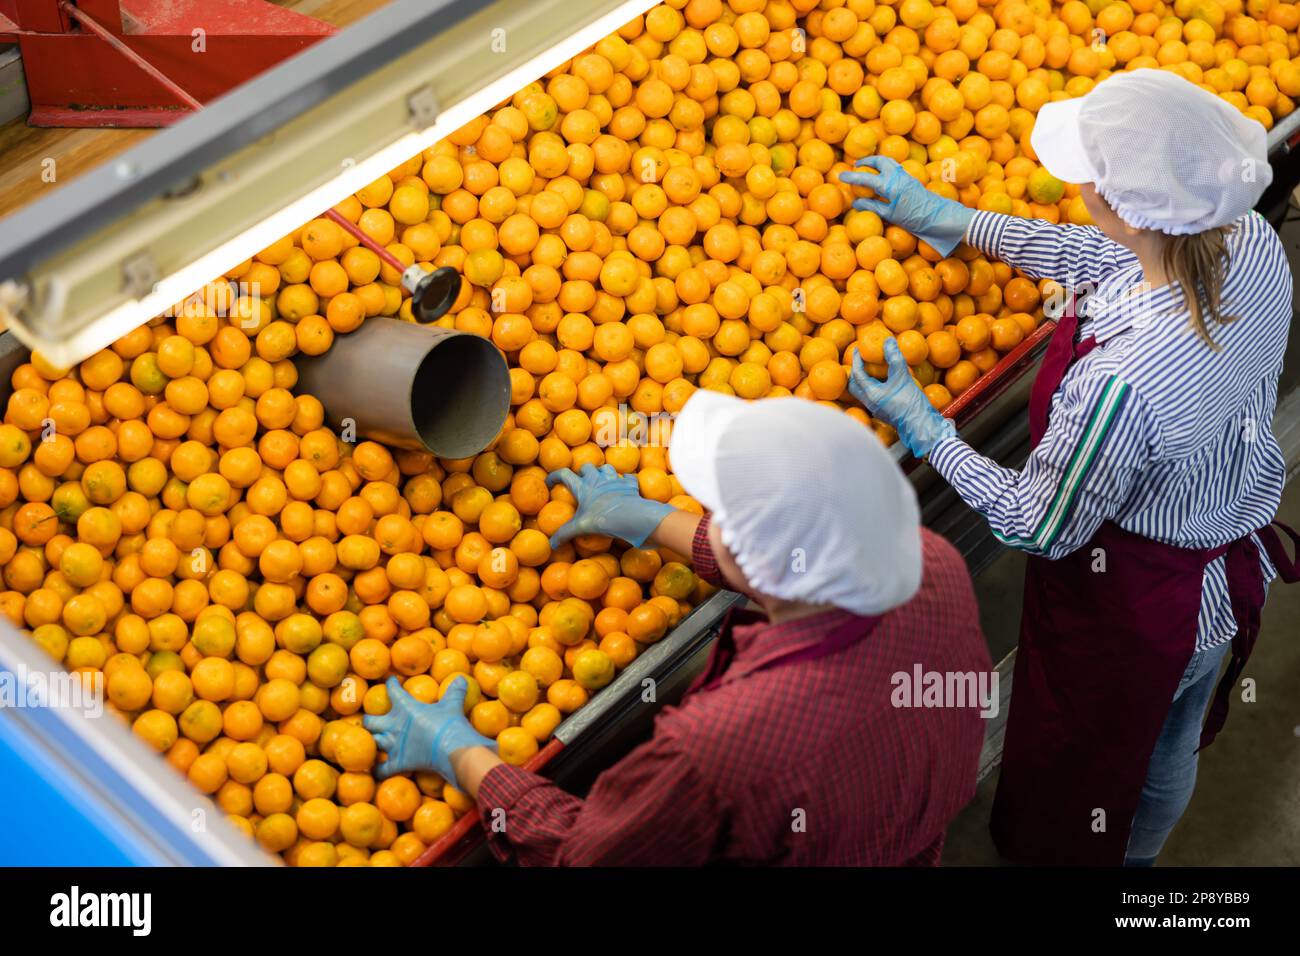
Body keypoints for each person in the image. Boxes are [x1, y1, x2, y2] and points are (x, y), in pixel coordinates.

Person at [839, 68, 1300, 866]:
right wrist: (960, 221)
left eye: (1090, 177)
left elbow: (1040, 523)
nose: (1080, 186)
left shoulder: (1124, 386)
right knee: (1169, 749)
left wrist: (927, 430)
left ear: (1120, 204)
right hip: (1218, 577)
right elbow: (1111, 259)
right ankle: (1145, 856)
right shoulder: (1249, 241)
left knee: (1084, 779)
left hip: (1134, 613)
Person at [366, 393, 993, 865]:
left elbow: (584, 856)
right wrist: (645, 519)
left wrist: (463, 753)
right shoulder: (927, 559)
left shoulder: (715, 747)